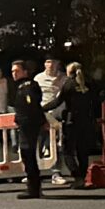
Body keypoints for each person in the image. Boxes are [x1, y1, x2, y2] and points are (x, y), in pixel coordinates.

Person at [43, 62, 98, 188]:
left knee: (67, 151)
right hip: (87, 122)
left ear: (70, 73)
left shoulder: (69, 85)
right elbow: (97, 99)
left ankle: (77, 175)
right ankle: (82, 178)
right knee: (82, 152)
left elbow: (58, 101)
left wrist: (42, 108)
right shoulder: (89, 84)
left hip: (72, 122)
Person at [12, 60, 46, 199]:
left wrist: (26, 120)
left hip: (28, 125)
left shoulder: (26, 86)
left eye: (17, 71)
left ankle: (33, 188)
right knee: (27, 154)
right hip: (28, 123)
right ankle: (33, 187)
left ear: (25, 72)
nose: (14, 73)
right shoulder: (24, 86)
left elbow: (31, 105)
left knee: (28, 154)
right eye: (13, 71)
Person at [35, 58, 67, 186]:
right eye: (48, 62)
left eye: (54, 62)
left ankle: (56, 173)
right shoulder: (38, 78)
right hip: (42, 115)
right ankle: (33, 172)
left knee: (57, 146)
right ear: (44, 64)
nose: (51, 65)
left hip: (57, 117)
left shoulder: (64, 79)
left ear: (58, 64)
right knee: (38, 145)